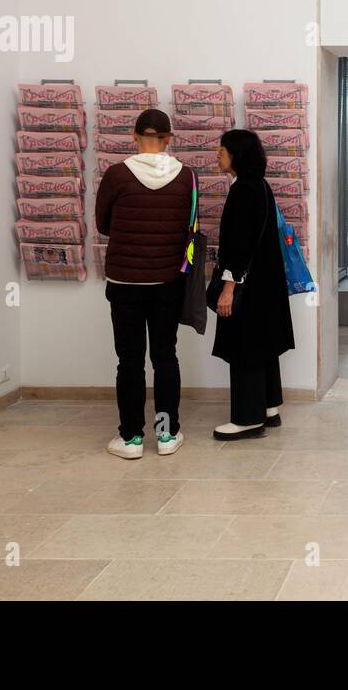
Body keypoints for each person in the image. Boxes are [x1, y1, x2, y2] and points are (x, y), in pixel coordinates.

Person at [95, 108, 195, 460]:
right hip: (168, 281)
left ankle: (131, 438)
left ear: (134, 136)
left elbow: (103, 224)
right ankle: (167, 436)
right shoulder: (187, 177)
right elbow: (190, 225)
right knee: (165, 357)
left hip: (124, 281)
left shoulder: (116, 175)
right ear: (169, 139)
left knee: (129, 360)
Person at [210, 129, 296, 439]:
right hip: (266, 284)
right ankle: (270, 406)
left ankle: (248, 418)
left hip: (248, 283)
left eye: (222, 151)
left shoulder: (243, 190)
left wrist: (229, 287)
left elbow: (240, 244)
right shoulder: (259, 185)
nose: (217, 156)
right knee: (264, 343)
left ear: (237, 154)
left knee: (245, 345)